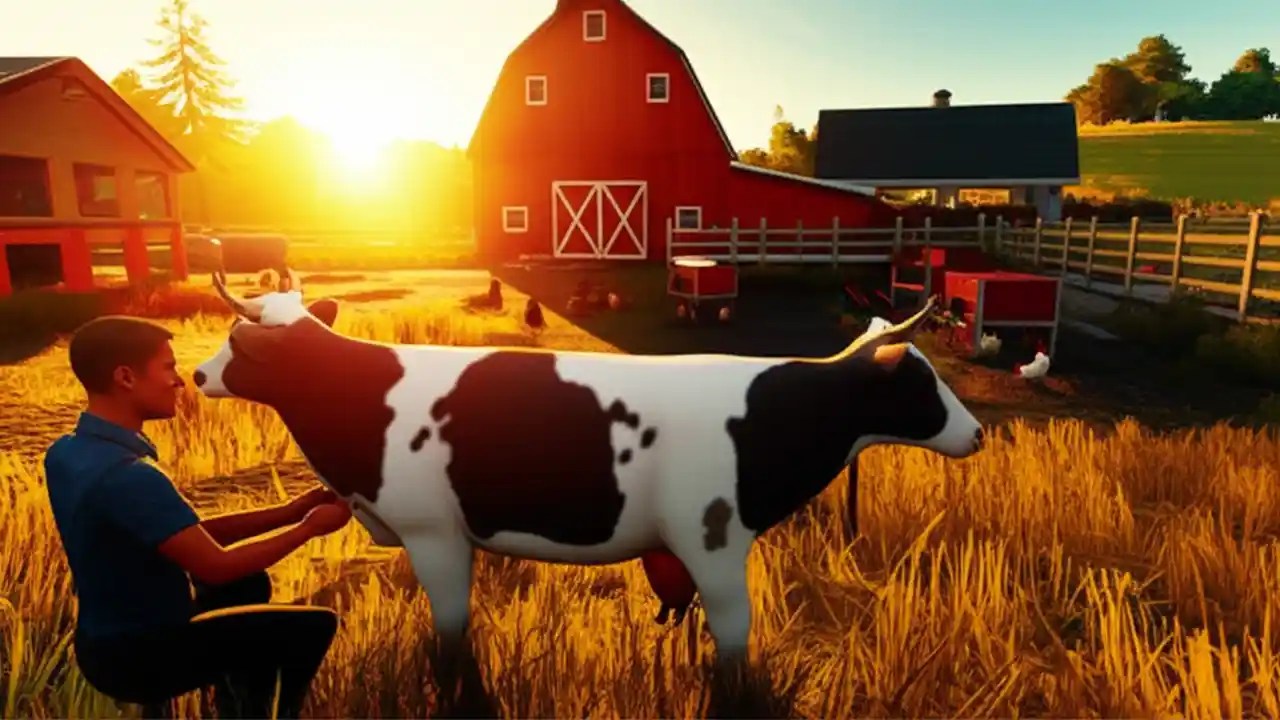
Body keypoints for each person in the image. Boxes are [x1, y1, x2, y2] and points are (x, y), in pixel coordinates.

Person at [42, 315, 354, 719]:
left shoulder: (67, 452)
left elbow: (185, 536)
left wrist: (290, 511)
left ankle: (216, 703)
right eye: (168, 367)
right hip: (141, 658)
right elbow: (215, 566)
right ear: (125, 377)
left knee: (248, 584)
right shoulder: (129, 476)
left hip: (100, 642)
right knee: (312, 628)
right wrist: (310, 529)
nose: (178, 380)